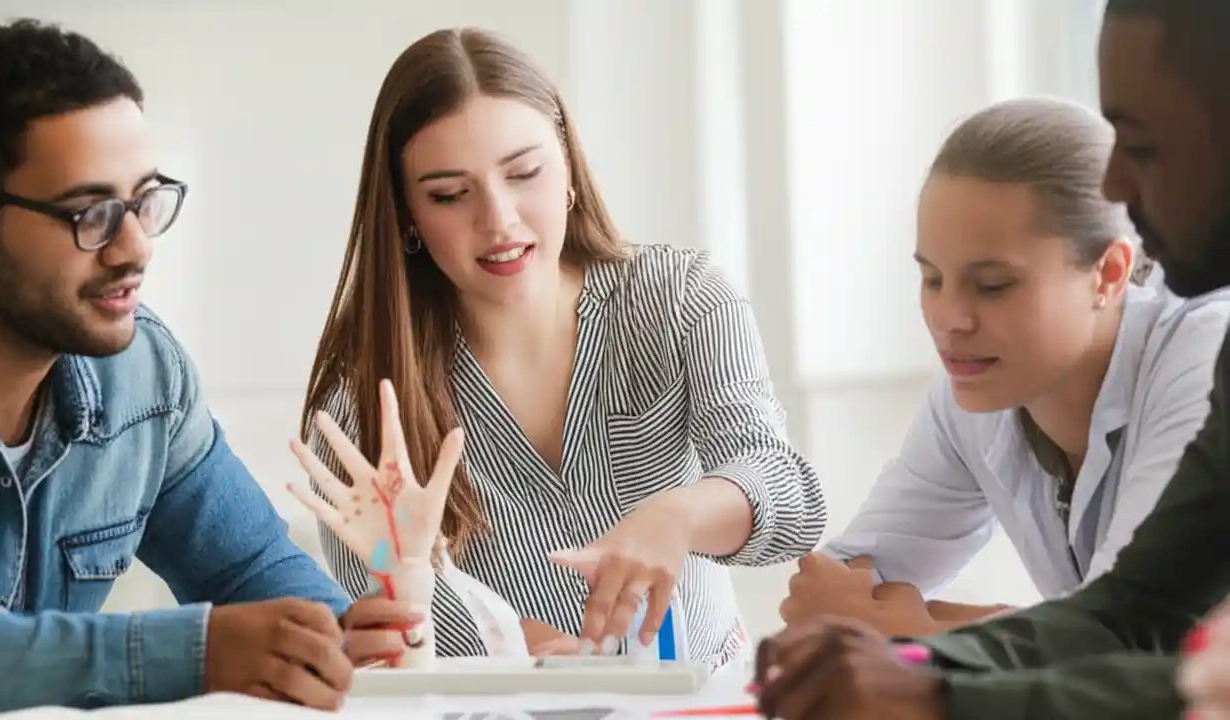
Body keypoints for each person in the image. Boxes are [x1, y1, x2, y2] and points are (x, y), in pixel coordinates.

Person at [753, 1, 1230, 718]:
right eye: (931, 277)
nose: (1116, 189)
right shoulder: (974, 386)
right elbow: (1130, 612)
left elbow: (1165, 662)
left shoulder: (1205, 344)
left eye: (1144, 146)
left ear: (1107, 275)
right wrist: (916, 655)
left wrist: (912, 643)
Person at [297, 26, 825, 667]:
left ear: (569, 168)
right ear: (406, 212)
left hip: (703, 699)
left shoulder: (683, 297)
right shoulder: (360, 406)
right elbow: (393, 612)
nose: (499, 220)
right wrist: (535, 649)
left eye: (524, 173)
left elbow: (791, 501)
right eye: (449, 195)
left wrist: (679, 515)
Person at [0, 20, 416, 716]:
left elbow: (251, 567)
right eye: (91, 214)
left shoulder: (144, 377)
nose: (135, 247)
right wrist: (200, 652)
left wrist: (337, 639)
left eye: (143, 201)